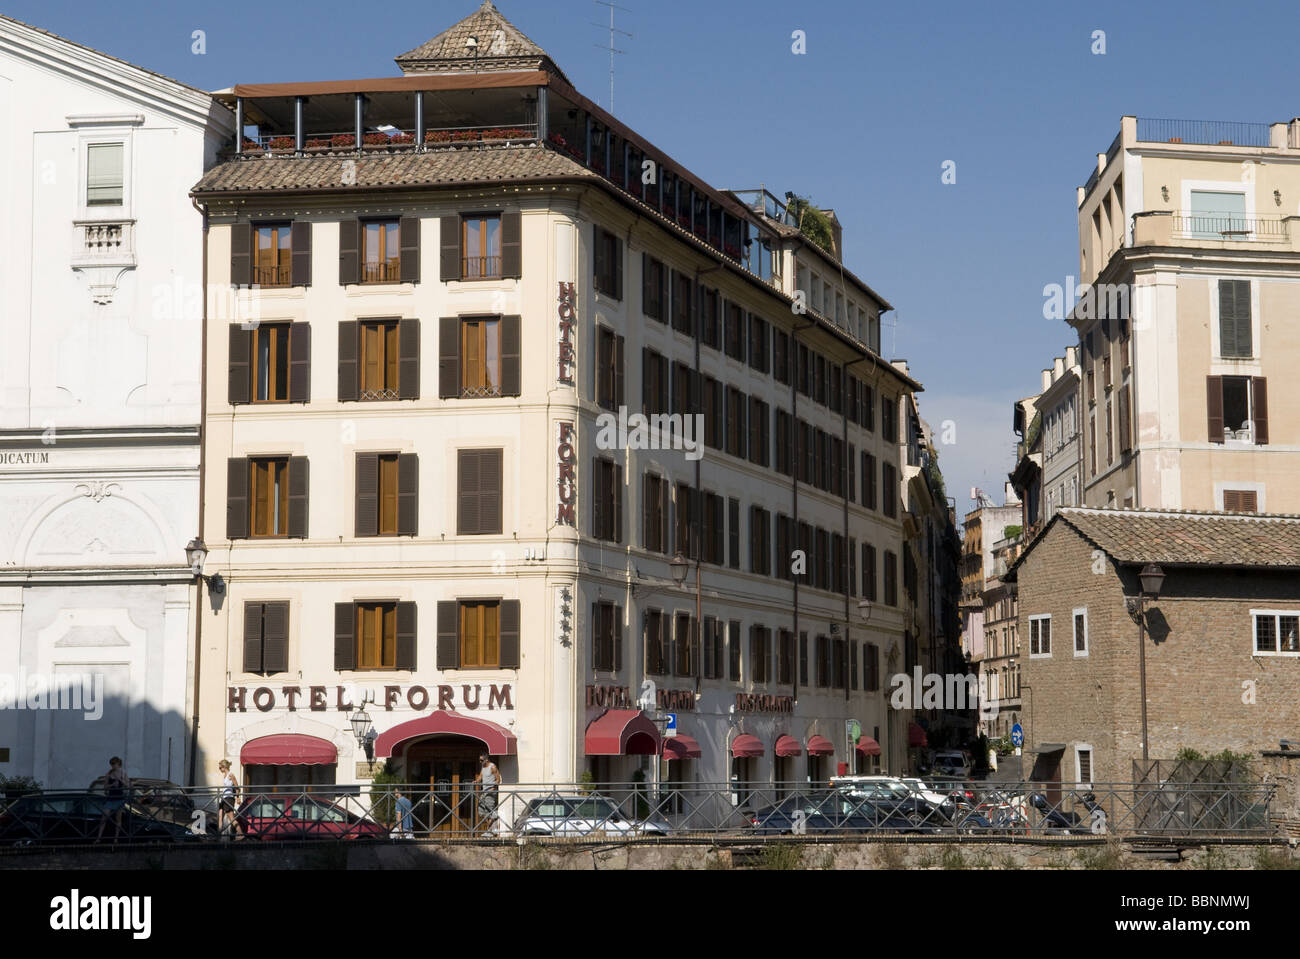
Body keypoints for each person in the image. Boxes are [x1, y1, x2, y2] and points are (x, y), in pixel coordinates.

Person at [94, 757, 129, 842]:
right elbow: (105, 787)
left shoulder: (123, 773)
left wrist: (120, 780)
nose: (113, 765)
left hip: (119, 798)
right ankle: (99, 838)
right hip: (110, 798)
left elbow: (127, 786)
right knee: (104, 818)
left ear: (118, 764)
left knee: (118, 819)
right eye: (111, 764)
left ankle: (116, 839)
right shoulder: (109, 774)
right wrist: (112, 785)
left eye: (114, 763)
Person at [474, 753, 501, 835]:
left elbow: (498, 779)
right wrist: (476, 781)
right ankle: (494, 815)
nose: (480, 762)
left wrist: (493, 788)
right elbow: (480, 776)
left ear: (486, 760)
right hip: (484, 792)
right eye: (479, 760)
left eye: (481, 760)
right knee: (481, 811)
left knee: (489, 811)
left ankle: (489, 831)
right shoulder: (483, 767)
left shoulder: (492, 767)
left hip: (491, 793)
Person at [217, 760, 244, 839]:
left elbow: (237, 787)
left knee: (231, 818)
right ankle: (218, 835)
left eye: (220, 768)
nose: (219, 769)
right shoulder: (225, 775)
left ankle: (240, 833)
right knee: (220, 816)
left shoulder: (231, 775)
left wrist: (237, 797)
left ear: (224, 767)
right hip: (223, 798)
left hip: (229, 798)